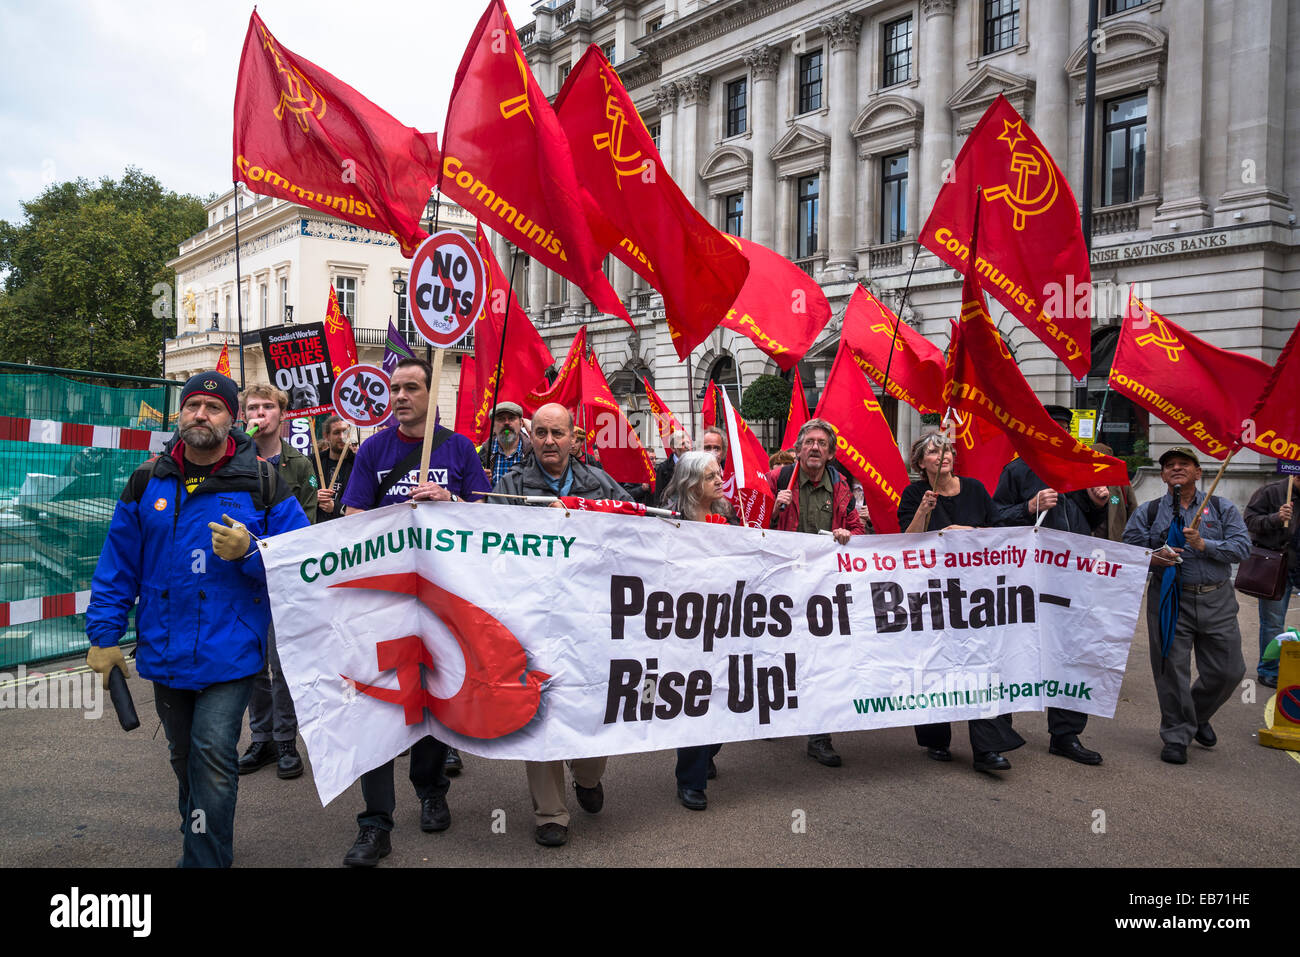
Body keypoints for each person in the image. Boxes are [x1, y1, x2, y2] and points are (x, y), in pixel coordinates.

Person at [84, 371, 310, 867]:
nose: (201, 415)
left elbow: (303, 561)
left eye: (213, 407)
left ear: (232, 419)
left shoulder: (265, 482)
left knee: (212, 757)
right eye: (193, 406)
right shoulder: (148, 480)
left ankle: (204, 860)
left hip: (230, 654)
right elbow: (118, 564)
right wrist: (103, 635)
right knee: (184, 760)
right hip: (165, 653)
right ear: (179, 414)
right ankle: (202, 829)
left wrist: (252, 552)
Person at [337, 356, 491, 867]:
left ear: (431, 393)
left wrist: (448, 501)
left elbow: (487, 519)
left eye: (410, 388)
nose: (400, 397)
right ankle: (375, 823)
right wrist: (391, 517)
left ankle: (430, 790)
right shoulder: (373, 451)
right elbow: (353, 517)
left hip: (442, 601)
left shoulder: (459, 449)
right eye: (394, 389)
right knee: (378, 703)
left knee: (431, 699)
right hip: (385, 601)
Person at [493, 402, 626, 847]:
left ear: (575, 438)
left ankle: (587, 775)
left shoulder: (601, 484)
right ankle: (550, 811)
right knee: (540, 711)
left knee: (591, 707)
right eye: (542, 433)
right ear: (531, 436)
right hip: (533, 622)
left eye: (558, 433)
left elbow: (632, 536)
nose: (550, 441)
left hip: (589, 619)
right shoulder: (509, 487)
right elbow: (485, 549)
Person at [898, 431, 1026, 773]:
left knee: (982, 665)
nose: (943, 455)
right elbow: (907, 544)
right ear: (920, 463)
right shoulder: (915, 494)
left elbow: (999, 533)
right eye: (934, 451)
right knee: (935, 665)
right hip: (934, 596)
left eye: (947, 449)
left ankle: (987, 749)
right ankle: (936, 738)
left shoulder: (975, 489)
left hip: (977, 595)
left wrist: (967, 532)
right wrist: (928, 516)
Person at [993, 405, 1109, 766]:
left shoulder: (1080, 471)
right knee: (1015, 650)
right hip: (1027, 581)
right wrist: (1029, 506)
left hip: (1073, 579)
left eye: (1061, 431)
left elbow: (1089, 522)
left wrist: (1098, 502)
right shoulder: (1015, 471)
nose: (1055, 437)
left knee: (1070, 654)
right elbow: (995, 518)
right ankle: (999, 731)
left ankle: (1066, 734)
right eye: (1049, 430)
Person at [1123, 447, 1252, 764]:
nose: (1176, 468)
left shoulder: (1221, 509)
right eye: (1169, 465)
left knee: (1229, 670)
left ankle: (1195, 715)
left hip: (1216, 598)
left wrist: (1204, 544)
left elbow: (1242, 548)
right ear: (1164, 475)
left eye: (1184, 464)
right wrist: (1154, 558)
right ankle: (1177, 735)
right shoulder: (1150, 511)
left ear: (1198, 472)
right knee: (1171, 671)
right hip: (1169, 599)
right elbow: (1129, 551)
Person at [764, 418, 867, 767]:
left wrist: (847, 534)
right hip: (780, 584)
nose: (815, 448)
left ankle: (819, 737)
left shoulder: (840, 488)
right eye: (809, 442)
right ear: (797, 450)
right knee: (776, 654)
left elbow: (858, 530)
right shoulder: (778, 480)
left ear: (831, 453)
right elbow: (751, 527)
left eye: (822, 444)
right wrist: (771, 507)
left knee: (821, 660)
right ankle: (769, 713)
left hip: (822, 589)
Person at [235, 384, 319, 780]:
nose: (259, 413)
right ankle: (261, 737)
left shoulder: (298, 465)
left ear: (281, 415)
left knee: (282, 664)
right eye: (252, 407)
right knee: (252, 664)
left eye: (267, 406)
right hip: (243, 580)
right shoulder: (234, 459)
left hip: (282, 580)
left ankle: (286, 740)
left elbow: (304, 528)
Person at [663, 450, 732, 809]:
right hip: (686, 627)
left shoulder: (726, 518)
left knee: (728, 695)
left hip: (727, 624)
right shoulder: (672, 522)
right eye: (710, 477)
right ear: (692, 485)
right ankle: (690, 780)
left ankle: (707, 751)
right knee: (696, 702)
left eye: (719, 474)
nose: (720, 481)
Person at [1243, 471, 1300, 688]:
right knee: (1273, 623)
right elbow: (1249, 521)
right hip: (1278, 566)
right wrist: (1276, 518)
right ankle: (1268, 670)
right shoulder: (1272, 491)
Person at [478, 401, 531, 487]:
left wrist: (533, 431)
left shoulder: (532, 452)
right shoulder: (480, 455)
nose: (506, 423)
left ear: (521, 423)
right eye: (501, 419)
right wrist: (481, 484)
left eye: (511, 418)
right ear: (493, 426)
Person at [315, 414, 356, 523]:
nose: (342, 436)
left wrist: (336, 508)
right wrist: (313, 496)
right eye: (337, 432)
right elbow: (299, 493)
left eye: (345, 432)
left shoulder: (359, 463)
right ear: (326, 436)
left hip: (347, 529)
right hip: (317, 528)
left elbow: (365, 502)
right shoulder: (313, 462)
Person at [654, 430, 692, 508]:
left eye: (688, 443)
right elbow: (659, 496)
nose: (687, 447)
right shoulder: (663, 469)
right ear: (673, 448)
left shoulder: (695, 465)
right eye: (682, 444)